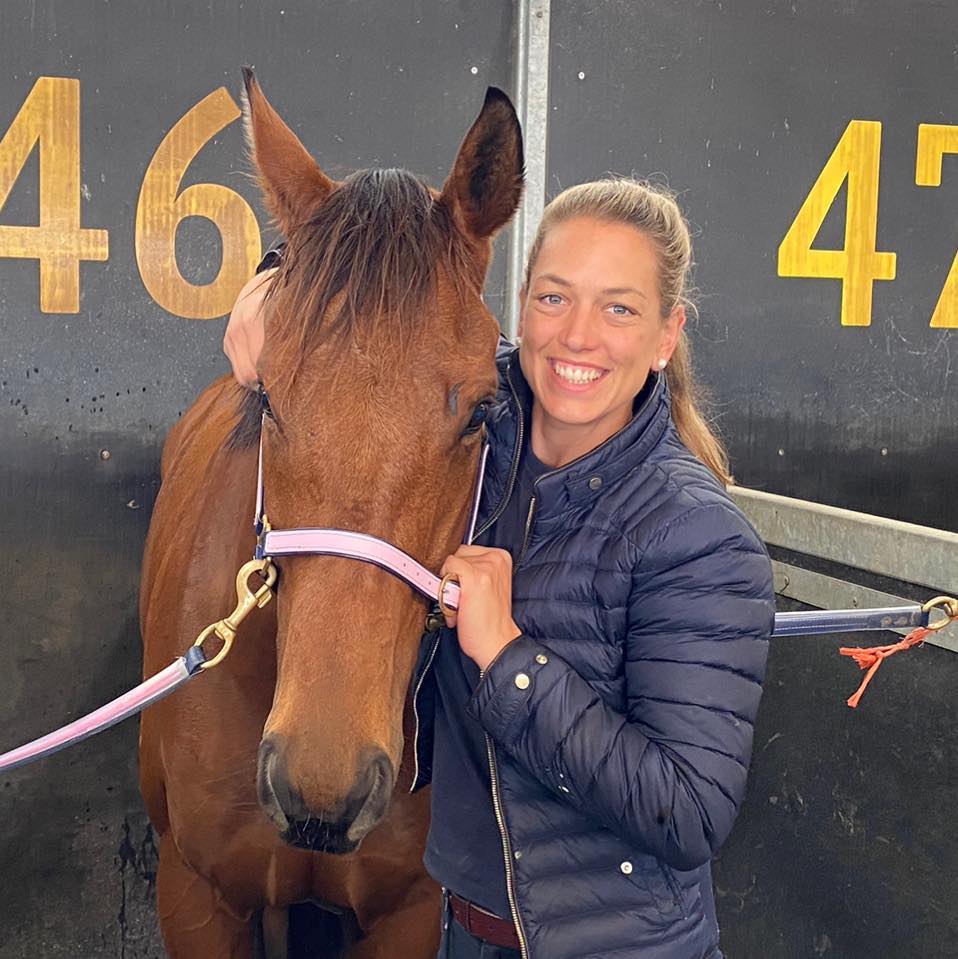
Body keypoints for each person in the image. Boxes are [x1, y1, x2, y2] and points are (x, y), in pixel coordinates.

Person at [225, 177, 775, 959]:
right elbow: (387, 294)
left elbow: (688, 811)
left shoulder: (700, 534)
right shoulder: (476, 428)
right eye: (555, 298)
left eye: (619, 307)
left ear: (665, 334)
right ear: (520, 306)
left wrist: (508, 658)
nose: (578, 335)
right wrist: (273, 281)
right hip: (463, 930)